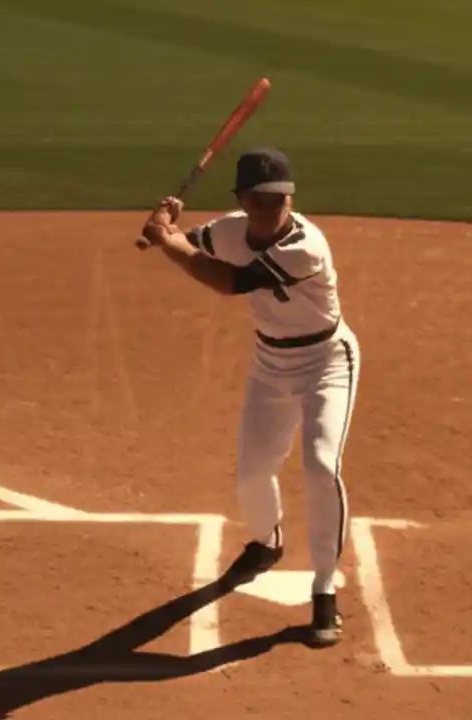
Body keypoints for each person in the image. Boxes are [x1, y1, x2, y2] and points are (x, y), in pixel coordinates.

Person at [139, 147, 360, 647]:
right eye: (258, 199)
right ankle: (268, 544)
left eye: (277, 199)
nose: (268, 208)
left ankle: (325, 587)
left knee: (321, 465)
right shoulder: (231, 228)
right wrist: (167, 227)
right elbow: (197, 242)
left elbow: (228, 280)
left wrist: (166, 241)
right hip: (270, 365)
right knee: (253, 473)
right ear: (241, 199)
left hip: (326, 361)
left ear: (290, 198)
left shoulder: (307, 246)